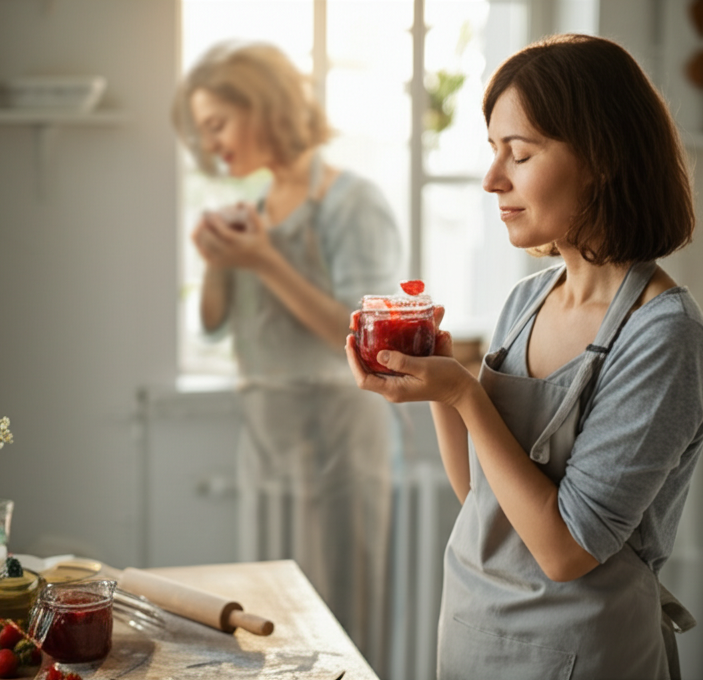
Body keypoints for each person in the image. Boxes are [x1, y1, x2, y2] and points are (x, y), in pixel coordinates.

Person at [345, 33, 703, 679]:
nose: (493, 180)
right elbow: (482, 498)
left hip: (589, 654)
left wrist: (464, 392)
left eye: (519, 154)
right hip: (475, 633)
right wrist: (438, 389)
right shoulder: (528, 300)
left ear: (602, 158)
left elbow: (565, 551)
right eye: (494, 152)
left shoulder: (663, 339)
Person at [172, 40, 401, 668]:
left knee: (344, 616)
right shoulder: (257, 208)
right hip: (268, 437)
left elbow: (364, 338)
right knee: (270, 620)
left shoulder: (354, 203)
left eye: (217, 124)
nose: (211, 143)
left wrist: (263, 260)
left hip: (340, 439)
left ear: (262, 107)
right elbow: (215, 325)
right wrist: (219, 261)